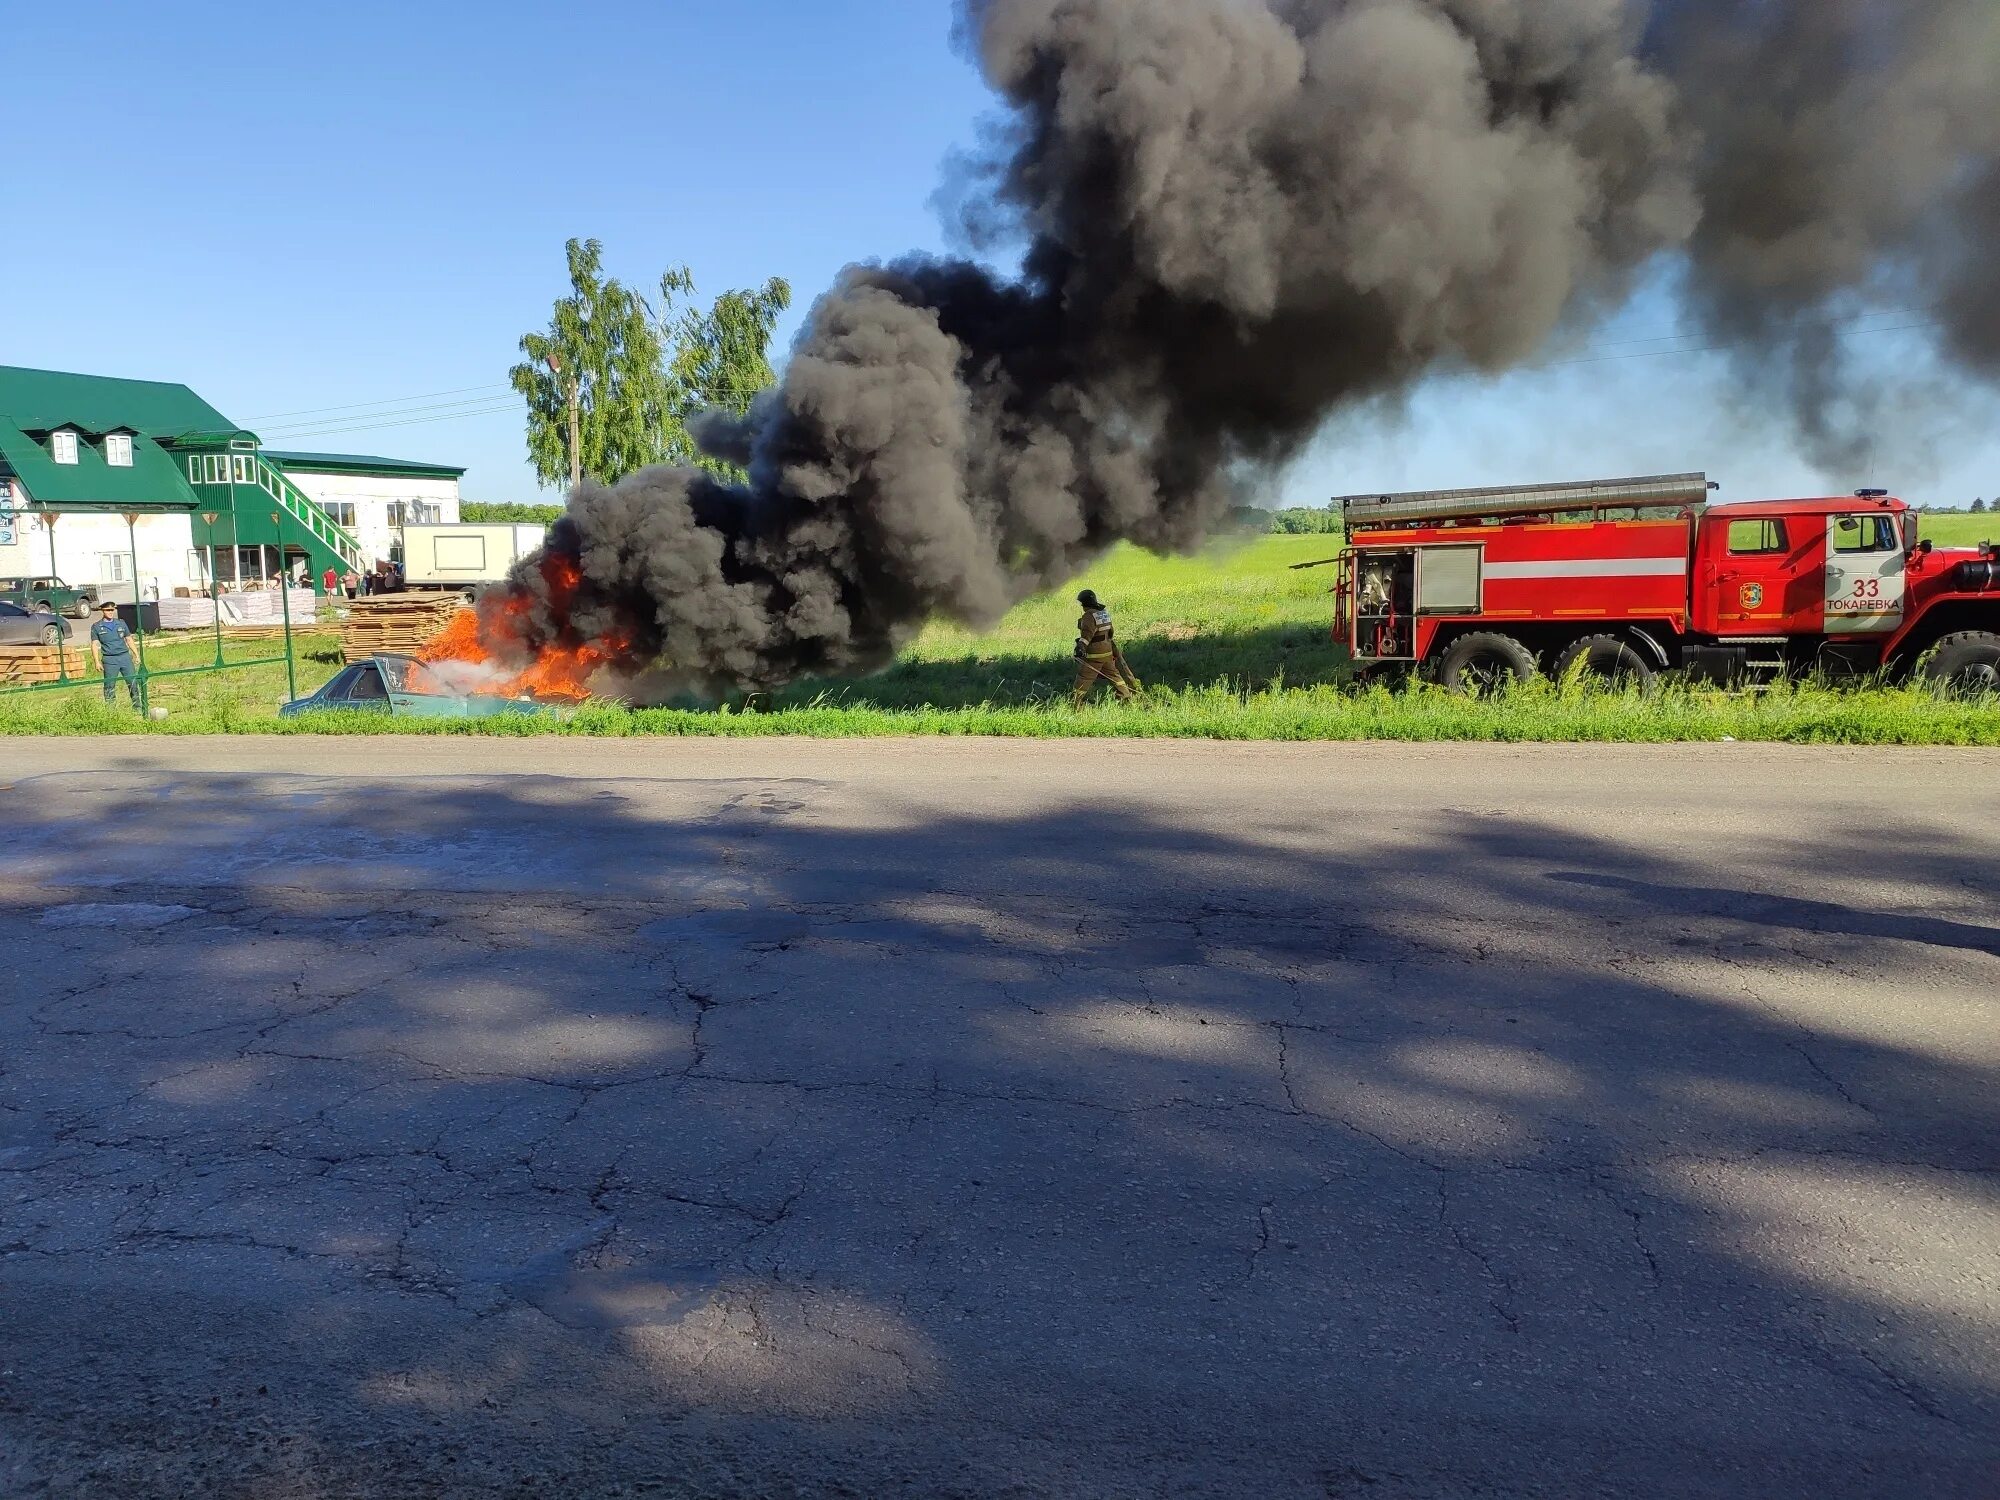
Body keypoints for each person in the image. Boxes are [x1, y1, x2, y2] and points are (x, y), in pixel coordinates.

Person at [1071, 589, 1143, 706]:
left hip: (1094, 655)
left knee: (1083, 677)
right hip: (1108, 653)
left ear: (1085, 604)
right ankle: (1126, 698)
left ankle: (1075, 703)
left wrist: (1080, 647)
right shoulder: (1103, 613)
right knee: (1115, 677)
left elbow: (1087, 635)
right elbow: (1110, 632)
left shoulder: (1088, 616)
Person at [90, 601, 140, 709]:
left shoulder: (121, 623)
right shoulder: (97, 626)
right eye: (108, 610)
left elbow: (128, 639)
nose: (110, 612)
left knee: (133, 683)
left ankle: (137, 708)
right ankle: (111, 711)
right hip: (110, 660)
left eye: (112, 610)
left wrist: (136, 654)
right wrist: (97, 662)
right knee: (109, 686)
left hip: (124, 657)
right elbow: (94, 644)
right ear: (102, 611)